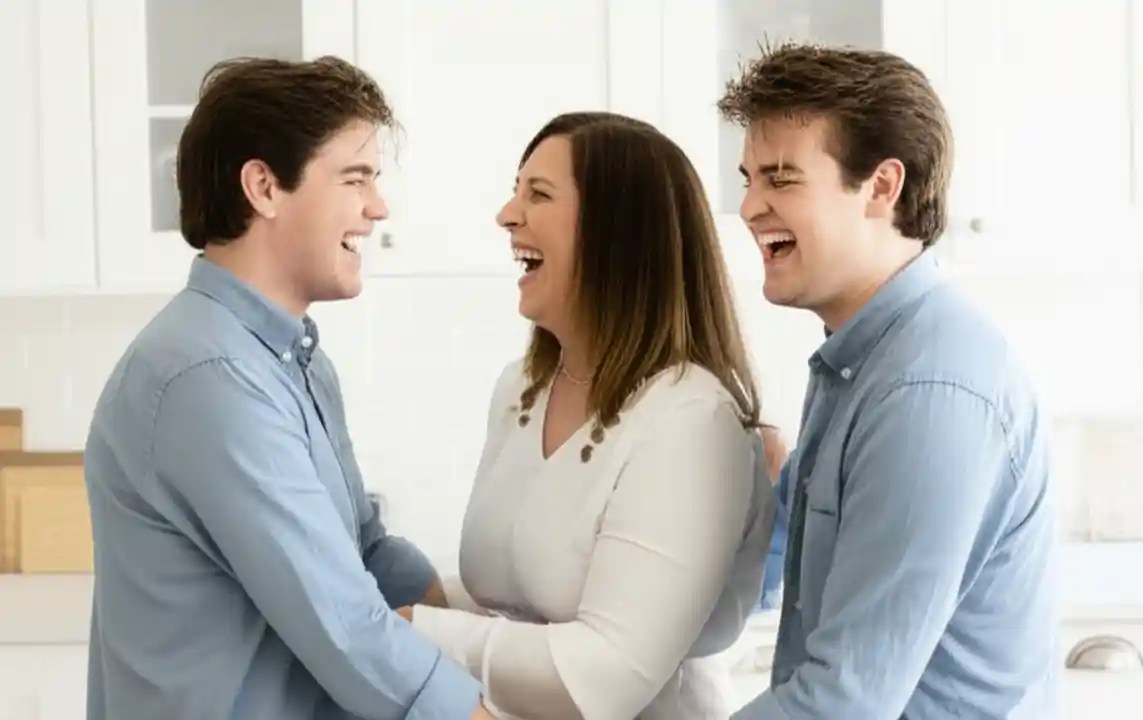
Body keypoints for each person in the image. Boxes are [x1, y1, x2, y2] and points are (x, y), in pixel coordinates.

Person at [83, 56, 490, 720]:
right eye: (355, 178)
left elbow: (366, 553)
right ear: (264, 187)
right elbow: (347, 626)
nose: (377, 207)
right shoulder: (209, 378)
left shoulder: (287, 360)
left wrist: (498, 641)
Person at [718, 43, 1058, 718]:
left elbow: (843, 702)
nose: (750, 206)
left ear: (881, 187)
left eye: (782, 179)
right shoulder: (859, 363)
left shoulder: (926, 392)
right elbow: (759, 574)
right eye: (749, 179)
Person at [410, 111, 775, 719]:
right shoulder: (522, 389)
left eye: (538, 195)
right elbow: (521, 603)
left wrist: (410, 630)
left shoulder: (691, 420)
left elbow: (605, 674)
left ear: (617, 234)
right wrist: (396, 600)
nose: (507, 214)